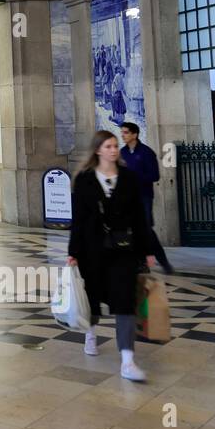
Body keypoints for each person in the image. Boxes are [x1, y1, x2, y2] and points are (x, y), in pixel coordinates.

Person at [68, 130, 159, 383]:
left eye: (115, 146)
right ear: (98, 150)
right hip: (92, 249)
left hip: (123, 248)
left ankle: (127, 360)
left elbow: (140, 218)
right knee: (93, 296)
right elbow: (79, 220)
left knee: (125, 301)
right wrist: (73, 252)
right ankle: (91, 333)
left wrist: (147, 249)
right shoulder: (84, 180)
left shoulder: (128, 178)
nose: (113, 150)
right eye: (108, 146)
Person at [118, 122, 173, 274]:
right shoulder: (122, 153)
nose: (123, 135)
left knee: (146, 229)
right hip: (127, 198)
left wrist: (134, 177)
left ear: (134, 134)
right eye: (122, 132)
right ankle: (139, 261)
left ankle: (162, 260)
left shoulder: (147, 152)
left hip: (143, 196)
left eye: (126, 132)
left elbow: (154, 175)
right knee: (133, 230)